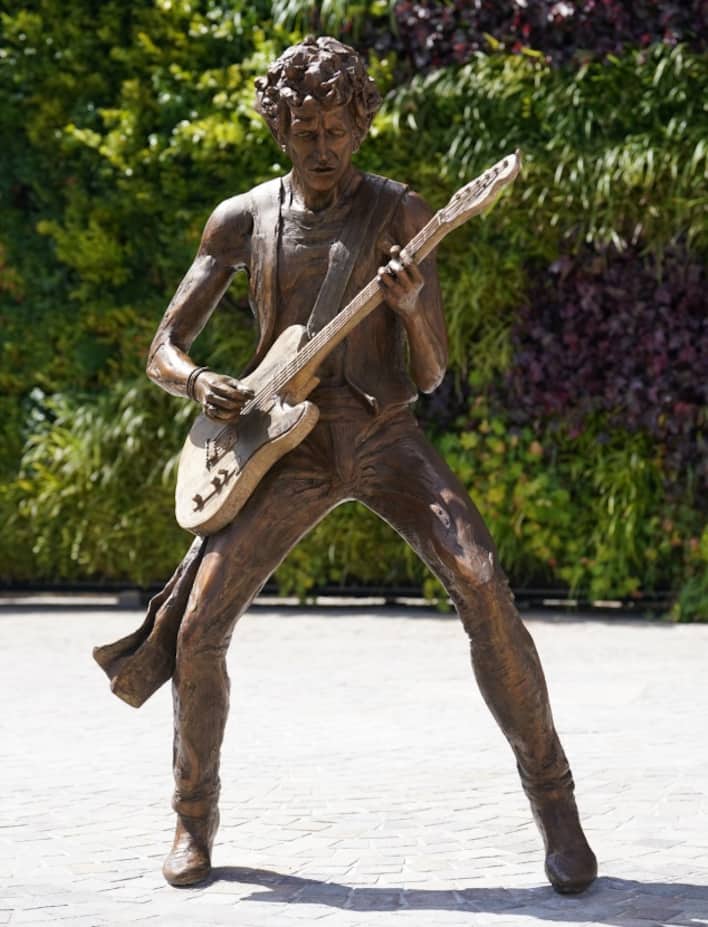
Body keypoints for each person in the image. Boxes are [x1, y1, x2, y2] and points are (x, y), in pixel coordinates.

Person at [94, 36, 597, 894]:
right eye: (303, 131)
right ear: (279, 129)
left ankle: (556, 806)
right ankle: (191, 816)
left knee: (480, 579)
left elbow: (432, 372)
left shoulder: (401, 213)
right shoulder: (242, 219)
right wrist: (201, 381)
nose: (321, 148)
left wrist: (409, 309)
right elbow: (163, 348)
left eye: (335, 128)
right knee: (199, 627)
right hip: (278, 443)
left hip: (384, 433)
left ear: (361, 124)